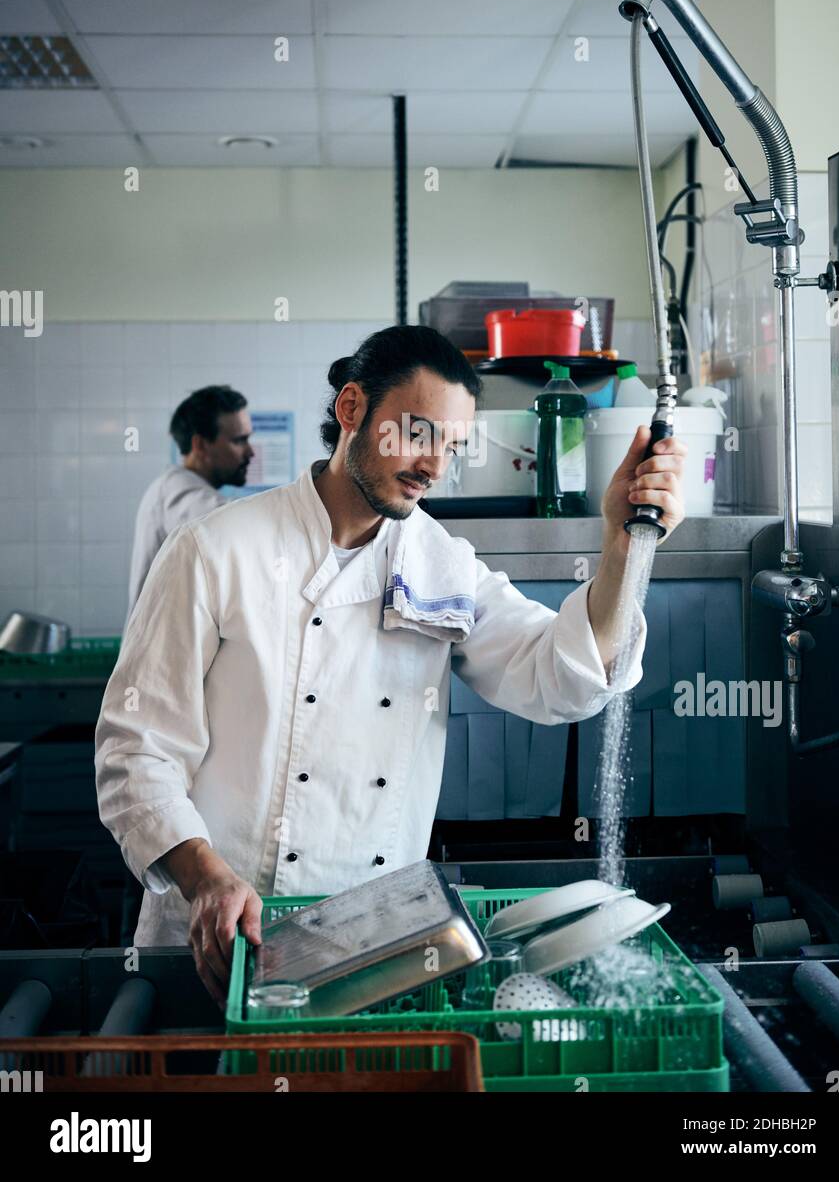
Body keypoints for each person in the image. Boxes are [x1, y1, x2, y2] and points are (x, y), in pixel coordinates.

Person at [96, 326, 686, 1007]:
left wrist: (620, 548)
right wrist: (206, 880)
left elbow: (564, 676)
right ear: (352, 410)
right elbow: (135, 750)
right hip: (217, 942)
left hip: (371, 951)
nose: (434, 465)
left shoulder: (438, 564)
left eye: (452, 446)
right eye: (417, 432)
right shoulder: (215, 550)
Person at [126, 385, 254, 620]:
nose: (251, 452)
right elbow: (229, 522)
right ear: (201, 445)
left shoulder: (177, 488)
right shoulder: (176, 491)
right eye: (239, 441)